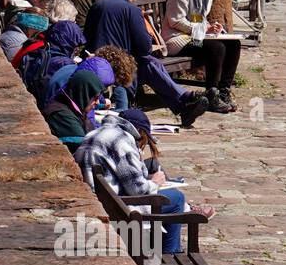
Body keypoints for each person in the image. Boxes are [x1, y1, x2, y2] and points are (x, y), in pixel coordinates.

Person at [76, 107, 210, 255]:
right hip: (116, 208)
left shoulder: (96, 133)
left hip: (102, 198)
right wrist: (156, 182)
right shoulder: (121, 141)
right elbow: (137, 189)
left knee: (173, 198)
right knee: (176, 198)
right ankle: (170, 254)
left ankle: (171, 240)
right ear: (140, 132)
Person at [84, 0, 209, 126]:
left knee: (150, 63)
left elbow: (87, 37)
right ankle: (184, 101)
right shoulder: (132, 10)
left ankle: (184, 103)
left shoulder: (96, 6)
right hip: (120, 69)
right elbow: (144, 48)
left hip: (94, 63)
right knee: (149, 63)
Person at [163, 0, 241, 112]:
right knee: (215, 48)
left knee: (234, 44)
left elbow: (196, 16)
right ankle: (211, 93)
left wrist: (209, 27)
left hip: (194, 37)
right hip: (177, 39)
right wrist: (202, 29)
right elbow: (176, 20)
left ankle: (223, 90)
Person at [44, 68, 106, 141]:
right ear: (84, 95)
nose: (97, 102)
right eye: (95, 98)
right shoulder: (62, 116)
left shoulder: (75, 108)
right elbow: (85, 145)